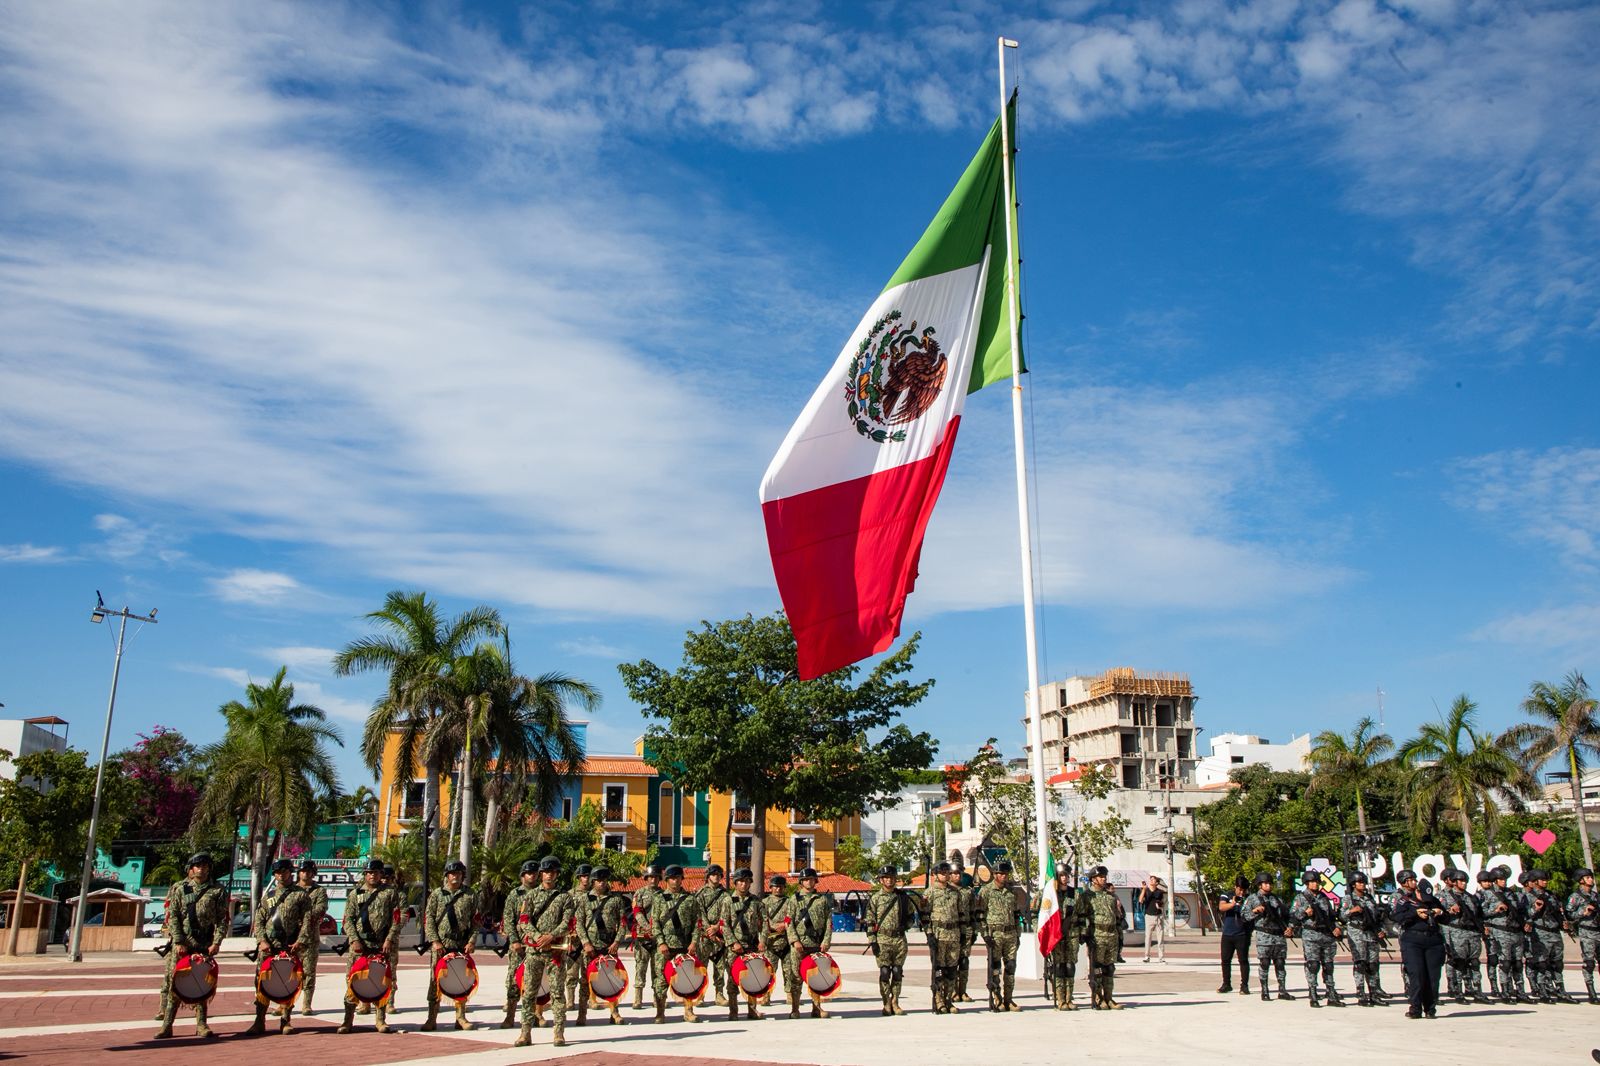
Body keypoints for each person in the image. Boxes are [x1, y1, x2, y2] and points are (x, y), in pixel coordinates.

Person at [154, 852, 228, 1040]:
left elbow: (222, 920)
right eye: (198, 866)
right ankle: (167, 1025)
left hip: (204, 944)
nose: (201, 869)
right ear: (191, 869)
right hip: (183, 945)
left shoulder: (217, 890)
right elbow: (174, 917)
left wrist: (216, 942)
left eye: (205, 866)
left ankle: (201, 1024)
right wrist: (178, 941)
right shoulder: (181, 889)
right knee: (174, 984)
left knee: (202, 984)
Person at [248, 857, 316, 1036]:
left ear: (290, 872)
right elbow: (260, 921)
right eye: (278, 872)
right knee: (262, 983)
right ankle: (259, 1021)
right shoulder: (268, 897)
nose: (281, 875)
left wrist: (300, 940)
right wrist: (261, 941)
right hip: (269, 947)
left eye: (284, 871)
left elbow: (307, 921)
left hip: (291, 945)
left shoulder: (300, 895)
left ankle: (285, 1021)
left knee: (289, 984)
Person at [514, 856, 574, 1048]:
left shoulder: (564, 897)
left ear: (557, 874)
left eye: (553, 872)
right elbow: (524, 920)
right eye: (546, 872)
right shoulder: (530, 896)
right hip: (534, 952)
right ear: (541, 874)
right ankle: (525, 1033)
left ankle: (558, 1032)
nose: (549, 875)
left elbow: (568, 922)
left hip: (555, 952)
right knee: (529, 992)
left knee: (557, 993)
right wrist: (538, 936)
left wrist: (551, 936)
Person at [339, 857, 403, 1034]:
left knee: (381, 981)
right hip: (360, 945)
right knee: (353, 980)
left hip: (381, 944)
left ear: (381, 874)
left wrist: (389, 939)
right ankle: (347, 1021)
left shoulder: (390, 893)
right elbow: (348, 920)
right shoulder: (355, 894)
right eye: (368, 873)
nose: (372, 876)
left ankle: (380, 1020)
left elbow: (396, 920)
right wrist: (354, 939)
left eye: (375, 872)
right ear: (365, 875)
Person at [423, 859, 479, 1032]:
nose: (455, 876)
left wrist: (471, 941)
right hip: (441, 945)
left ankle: (461, 1017)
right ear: (446, 875)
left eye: (459, 873)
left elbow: (475, 921)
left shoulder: (470, 895)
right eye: (452, 873)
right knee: (435, 981)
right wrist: (435, 941)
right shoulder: (437, 895)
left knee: (462, 981)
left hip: (461, 944)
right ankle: (431, 1018)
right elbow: (429, 919)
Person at [708, 867, 766, 1020]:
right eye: (740, 881)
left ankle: (752, 1010)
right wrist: (733, 942)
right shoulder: (727, 901)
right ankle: (733, 1011)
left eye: (747, 881)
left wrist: (763, 940)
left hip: (752, 945)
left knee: (752, 979)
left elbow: (765, 922)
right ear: (735, 883)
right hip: (734, 948)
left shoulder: (755, 901)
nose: (744, 885)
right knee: (733, 980)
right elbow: (723, 924)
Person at [647, 865, 703, 1024]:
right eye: (672, 878)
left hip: (685, 945)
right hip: (664, 947)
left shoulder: (691, 899)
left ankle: (688, 1011)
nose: (675, 881)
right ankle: (660, 1012)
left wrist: (693, 942)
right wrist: (661, 942)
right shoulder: (658, 899)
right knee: (660, 980)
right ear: (666, 880)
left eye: (678, 877)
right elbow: (655, 923)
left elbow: (697, 924)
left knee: (688, 979)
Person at [780, 867, 834, 1018]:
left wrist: (826, 941)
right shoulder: (794, 900)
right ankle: (795, 1009)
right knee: (796, 977)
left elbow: (828, 922)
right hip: (800, 945)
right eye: (805, 880)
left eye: (811, 879)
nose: (808, 882)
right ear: (801, 882)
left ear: (815, 881)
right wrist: (794, 940)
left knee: (816, 977)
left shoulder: (822, 900)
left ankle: (817, 1008)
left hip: (816, 944)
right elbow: (788, 922)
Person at [580, 864, 630, 1025]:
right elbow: (578, 924)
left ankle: (614, 1012)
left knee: (612, 981)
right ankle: (582, 1014)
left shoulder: (616, 900)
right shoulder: (584, 899)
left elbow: (623, 923)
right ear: (593, 882)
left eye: (604, 880)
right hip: (590, 948)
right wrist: (586, 943)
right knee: (585, 981)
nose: (601, 883)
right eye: (598, 880)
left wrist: (617, 942)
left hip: (610, 946)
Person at [1392, 869, 1445, 1019]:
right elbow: (1396, 916)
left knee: (1433, 977)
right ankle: (1415, 1008)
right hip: (1413, 940)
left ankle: (1431, 1008)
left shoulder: (1433, 901)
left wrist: (1439, 913)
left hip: (1433, 941)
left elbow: (1446, 917)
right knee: (1417, 974)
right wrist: (1415, 913)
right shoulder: (1405, 900)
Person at [865, 864, 915, 1016]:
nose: (889, 880)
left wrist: (906, 924)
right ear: (881, 880)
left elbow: (911, 915)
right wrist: (872, 940)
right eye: (886, 878)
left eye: (891, 878)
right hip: (882, 939)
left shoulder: (902, 897)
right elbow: (869, 921)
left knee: (897, 971)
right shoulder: (876, 899)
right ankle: (886, 1001)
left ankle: (895, 1001)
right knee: (885, 972)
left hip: (899, 939)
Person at [1073, 866, 1123, 1009]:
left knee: (1110, 968)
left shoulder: (1110, 896)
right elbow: (1081, 916)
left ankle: (1109, 998)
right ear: (1093, 880)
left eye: (1104, 877)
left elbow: (1116, 917)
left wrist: (1119, 936)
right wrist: (1084, 934)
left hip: (1111, 935)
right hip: (1097, 935)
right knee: (1097, 969)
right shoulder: (1086, 896)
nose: (1104, 879)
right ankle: (1098, 997)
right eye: (1101, 877)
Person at [978, 860, 1026, 1011]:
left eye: (1005, 874)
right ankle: (996, 997)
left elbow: (1016, 914)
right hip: (995, 934)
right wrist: (985, 935)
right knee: (995, 967)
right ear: (994, 874)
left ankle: (1008, 999)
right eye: (1001, 874)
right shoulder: (985, 891)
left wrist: (1018, 935)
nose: (1004, 876)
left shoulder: (1011, 892)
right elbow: (980, 915)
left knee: (1011, 966)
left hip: (1010, 934)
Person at [1292, 869, 1344, 1007]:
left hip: (1326, 935)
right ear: (1307, 883)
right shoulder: (1301, 898)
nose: (1315, 884)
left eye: (1317, 882)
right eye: (1312, 882)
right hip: (1311, 935)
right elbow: (1293, 915)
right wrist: (1304, 912)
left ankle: (1331, 993)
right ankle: (1313, 993)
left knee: (1328, 965)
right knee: (1313, 964)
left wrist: (1337, 928)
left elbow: (1331, 916)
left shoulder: (1324, 897)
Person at [1437, 867, 1487, 1004]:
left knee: (1475, 962)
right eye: (1460, 881)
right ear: (1453, 882)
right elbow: (1438, 915)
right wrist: (1449, 910)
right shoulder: (1444, 896)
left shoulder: (1470, 897)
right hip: (1455, 932)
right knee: (1459, 962)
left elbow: (1478, 914)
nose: (1463, 883)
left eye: (1465, 881)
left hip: (1472, 933)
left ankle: (1477, 991)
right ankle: (1457, 991)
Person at [1482, 865, 1531, 1003]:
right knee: (1505, 963)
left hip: (1516, 931)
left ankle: (1520, 991)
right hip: (1500, 932)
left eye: (1505, 879)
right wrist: (1495, 910)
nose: (1504, 881)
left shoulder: (1512, 893)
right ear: (1494, 880)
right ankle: (1505, 991)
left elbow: (1521, 910)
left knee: (1518, 963)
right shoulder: (1487, 894)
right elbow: (1481, 913)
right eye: (1500, 879)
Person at [1526, 868, 1575, 1003]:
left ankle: (1560, 990)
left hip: (1555, 932)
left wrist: (1564, 924)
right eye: (1542, 880)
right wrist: (1535, 908)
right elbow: (1524, 915)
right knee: (1541, 963)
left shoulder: (1551, 895)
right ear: (1535, 881)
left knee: (1557, 963)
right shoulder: (1528, 897)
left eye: (1546, 879)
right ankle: (1543, 990)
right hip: (1540, 933)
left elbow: (1559, 912)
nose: (1545, 882)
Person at [1243, 871, 1294, 1001]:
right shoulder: (1252, 899)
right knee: (1264, 962)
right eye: (1265, 883)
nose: (1268, 886)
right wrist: (1255, 911)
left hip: (1279, 935)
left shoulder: (1277, 899)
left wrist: (1289, 928)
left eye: (1270, 883)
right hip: (1264, 935)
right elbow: (1244, 916)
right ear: (1259, 885)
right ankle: (1264, 990)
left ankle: (1282, 990)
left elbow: (1286, 916)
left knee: (1280, 963)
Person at [499, 860, 539, 1027]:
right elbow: (508, 919)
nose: (532, 876)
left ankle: (536, 1014)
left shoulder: (540, 893)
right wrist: (514, 940)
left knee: (536, 979)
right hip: (518, 943)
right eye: (529, 873)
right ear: (523, 875)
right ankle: (510, 1015)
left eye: (535, 873)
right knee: (514, 979)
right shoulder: (515, 895)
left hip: (536, 943)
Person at [924, 861, 963, 1013]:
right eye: (943, 873)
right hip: (938, 935)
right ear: (935, 875)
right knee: (939, 970)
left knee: (952, 970)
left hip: (953, 935)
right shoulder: (930, 892)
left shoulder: (955, 892)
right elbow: (925, 916)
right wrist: (929, 934)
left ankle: (949, 999)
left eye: (948, 873)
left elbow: (960, 914)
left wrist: (964, 934)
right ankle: (938, 999)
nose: (946, 875)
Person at [1341, 872, 1385, 1007]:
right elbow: (1342, 915)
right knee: (1360, 964)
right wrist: (1351, 911)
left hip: (1371, 933)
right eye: (1359, 882)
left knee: (1372, 964)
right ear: (1353, 884)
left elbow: (1376, 915)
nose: (1362, 885)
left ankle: (1374, 993)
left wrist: (1381, 930)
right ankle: (1361, 994)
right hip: (1357, 932)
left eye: (1363, 882)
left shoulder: (1369, 898)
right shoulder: (1348, 899)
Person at [695, 864, 732, 1007]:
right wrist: (708, 930)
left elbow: (728, 914)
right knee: (701, 966)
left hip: (720, 934)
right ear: (708, 876)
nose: (716, 876)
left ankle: (719, 993)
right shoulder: (700, 894)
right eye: (713, 874)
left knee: (720, 965)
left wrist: (717, 926)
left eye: (718, 874)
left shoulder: (726, 894)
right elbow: (699, 914)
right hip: (705, 936)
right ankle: (700, 994)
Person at [295, 860, 328, 1015]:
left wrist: (303, 917)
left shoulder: (319, 891)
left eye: (309, 871)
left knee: (308, 972)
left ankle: (306, 1004)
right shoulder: (291, 890)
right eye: (303, 870)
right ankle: (285, 1003)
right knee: (287, 972)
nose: (306, 873)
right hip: (291, 937)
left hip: (310, 938)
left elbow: (321, 909)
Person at [1045, 864, 1079, 1010]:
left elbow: (1083, 914)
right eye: (1062, 876)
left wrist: (1082, 932)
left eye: (1067, 875)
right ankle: (1060, 999)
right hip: (1056, 935)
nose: (1065, 878)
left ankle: (1069, 998)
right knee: (1058, 967)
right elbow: (1038, 914)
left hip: (1071, 935)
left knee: (1070, 967)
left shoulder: (1075, 893)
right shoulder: (1050, 894)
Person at [630, 865, 663, 1010]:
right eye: (650, 877)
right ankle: (638, 998)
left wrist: (657, 930)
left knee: (658, 969)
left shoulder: (664, 894)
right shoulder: (640, 893)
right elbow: (637, 912)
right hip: (643, 937)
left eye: (655, 877)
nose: (653, 880)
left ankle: (658, 999)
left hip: (658, 938)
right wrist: (647, 927)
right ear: (646, 878)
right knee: (640, 967)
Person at [562, 864, 593, 1013]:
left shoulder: (595, 895)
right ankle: (570, 1000)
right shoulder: (570, 894)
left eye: (588, 876)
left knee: (589, 971)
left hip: (590, 938)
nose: (586, 879)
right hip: (574, 939)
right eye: (583, 876)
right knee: (571, 972)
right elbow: (565, 915)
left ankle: (590, 999)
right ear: (579, 878)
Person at [1566, 867, 1599, 1004]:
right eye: (1588, 877)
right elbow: (1569, 915)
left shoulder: (1595, 895)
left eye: (1591, 877)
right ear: (1581, 880)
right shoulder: (1575, 897)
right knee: (1589, 963)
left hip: (1598, 931)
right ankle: (1591, 992)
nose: (1591, 879)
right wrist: (1583, 912)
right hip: (1586, 932)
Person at [1217, 874, 1252, 994]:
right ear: (1235, 887)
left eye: (1243, 890)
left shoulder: (1249, 898)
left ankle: (1244, 985)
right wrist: (1232, 904)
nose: (1241, 892)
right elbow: (1221, 907)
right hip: (1228, 932)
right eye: (1239, 889)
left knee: (1243, 960)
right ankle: (1226, 984)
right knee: (1225, 960)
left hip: (1242, 933)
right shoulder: (1227, 895)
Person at [762, 874, 790, 1008]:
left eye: (780, 887)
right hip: (770, 943)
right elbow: (761, 919)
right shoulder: (765, 902)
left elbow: (793, 917)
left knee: (789, 970)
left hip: (787, 942)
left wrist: (784, 926)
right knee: (768, 971)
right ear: (771, 888)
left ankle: (790, 994)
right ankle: (766, 995)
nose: (778, 889)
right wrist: (771, 927)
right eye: (775, 887)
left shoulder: (789, 902)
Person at [1475, 869, 1502, 999]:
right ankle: (1493, 985)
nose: (1488, 883)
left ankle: (1505, 986)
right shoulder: (1479, 896)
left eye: (1489, 881)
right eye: (1485, 881)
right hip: (1489, 929)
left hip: (1502, 930)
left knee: (1504, 959)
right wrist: (1495, 910)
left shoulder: (1498, 893)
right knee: (1492, 958)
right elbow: (1480, 913)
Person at [1139, 874, 1167, 963]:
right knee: (1148, 937)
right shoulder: (1146, 891)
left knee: (1160, 937)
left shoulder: (1160, 892)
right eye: (1150, 879)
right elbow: (1140, 900)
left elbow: (1163, 902)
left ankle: (1161, 957)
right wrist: (1143, 889)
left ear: (1157, 883)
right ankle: (1147, 956)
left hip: (1158, 916)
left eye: (1153, 879)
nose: (1151, 880)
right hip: (1149, 916)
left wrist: (1160, 905)